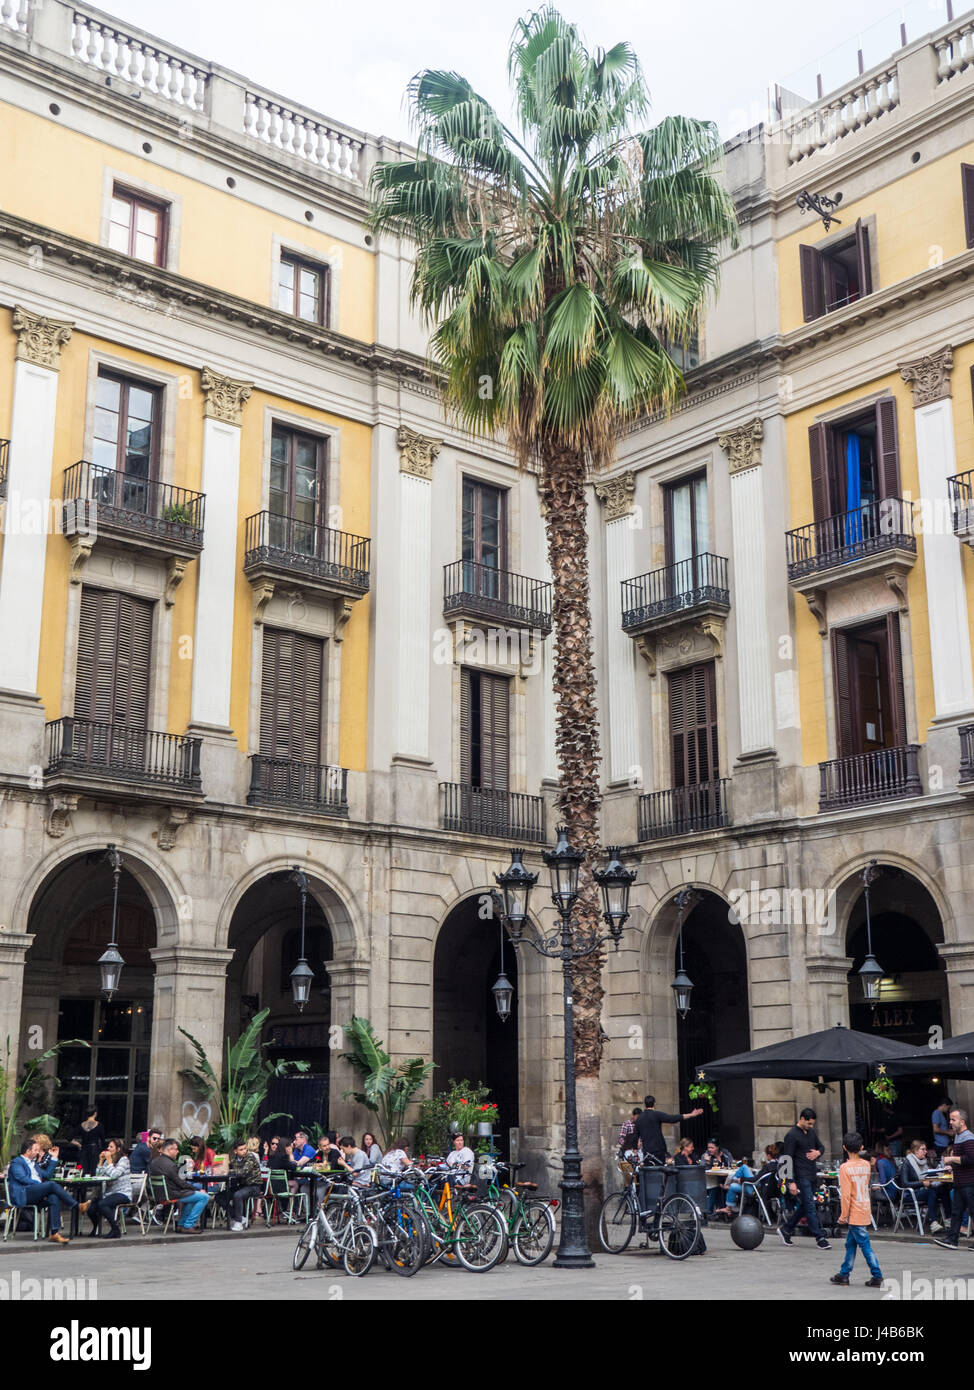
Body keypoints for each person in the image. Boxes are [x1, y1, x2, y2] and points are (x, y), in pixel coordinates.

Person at [7, 1136, 90, 1243]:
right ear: (28, 1151)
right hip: (24, 1193)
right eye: (36, 1150)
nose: (38, 1153)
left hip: (35, 1193)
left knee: (53, 1196)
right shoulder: (17, 1162)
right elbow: (22, 1179)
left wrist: (54, 1158)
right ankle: (76, 1206)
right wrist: (41, 1185)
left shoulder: (34, 1164)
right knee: (50, 1185)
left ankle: (54, 1233)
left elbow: (47, 1175)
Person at [830, 1132, 884, 1288]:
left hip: (854, 1210)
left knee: (864, 1245)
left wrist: (843, 1215)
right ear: (861, 1148)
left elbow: (846, 1195)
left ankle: (877, 1275)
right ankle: (844, 1273)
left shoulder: (845, 1168)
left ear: (844, 1148)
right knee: (851, 1243)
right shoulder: (866, 1165)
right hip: (864, 1207)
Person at [779, 1107, 831, 1251]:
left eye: (812, 1124)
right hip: (801, 1175)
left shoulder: (811, 1133)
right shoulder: (791, 1135)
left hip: (812, 1173)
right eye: (809, 1123)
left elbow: (821, 1146)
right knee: (810, 1206)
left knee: (805, 1206)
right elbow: (787, 1159)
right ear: (802, 1119)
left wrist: (818, 1152)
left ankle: (786, 1229)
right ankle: (820, 1237)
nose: (811, 1126)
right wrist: (790, 1181)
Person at [934, 1107, 974, 1250]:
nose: (950, 1122)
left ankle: (952, 1239)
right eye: (950, 1119)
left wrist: (951, 1159)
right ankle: (952, 1239)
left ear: (962, 1122)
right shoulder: (958, 1137)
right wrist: (953, 1166)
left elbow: (971, 1159)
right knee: (956, 1212)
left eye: (953, 1120)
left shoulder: (968, 1137)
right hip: (960, 1181)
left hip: (969, 1182)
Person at [149, 1138, 210, 1231]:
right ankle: (189, 1225)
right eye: (176, 1149)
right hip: (172, 1194)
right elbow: (180, 1182)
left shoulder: (154, 1162)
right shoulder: (170, 1164)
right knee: (204, 1197)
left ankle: (181, 1224)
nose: (177, 1152)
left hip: (158, 1195)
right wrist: (196, 1189)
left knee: (192, 1198)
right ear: (170, 1150)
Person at [633, 1095, 704, 1165]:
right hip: (659, 1150)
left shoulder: (639, 1119)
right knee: (660, 1172)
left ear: (644, 1104)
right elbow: (673, 1118)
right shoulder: (657, 1114)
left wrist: (635, 1154)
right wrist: (691, 1114)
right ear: (654, 1104)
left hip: (647, 1152)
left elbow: (635, 1137)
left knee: (650, 1173)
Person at [901, 1138, 951, 1232]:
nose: (926, 1152)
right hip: (911, 1194)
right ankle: (933, 1222)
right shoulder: (907, 1163)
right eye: (923, 1149)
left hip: (924, 1190)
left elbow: (929, 1176)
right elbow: (904, 1183)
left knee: (944, 1188)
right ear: (916, 1151)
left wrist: (941, 1177)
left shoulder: (924, 1162)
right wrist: (922, 1183)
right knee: (931, 1191)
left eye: (925, 1149)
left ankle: (948, 1219)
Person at [91, 1139, 132, 1239]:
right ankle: (96, 1228)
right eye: (108, 1147)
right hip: (109, 1193)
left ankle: (115, 1229)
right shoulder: (107, 1161)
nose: (108, 1149)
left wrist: (109, 1162)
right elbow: (98, 1176)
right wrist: (101, 1161)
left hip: (122, 1193)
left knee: (102, 1204)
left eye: (111, 1147)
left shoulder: (124, 1160)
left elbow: (115, 1174)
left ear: (118, 1149)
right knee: (91, 1207)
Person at [223, 1138, 264, 1231]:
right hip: (242, 1186)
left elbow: (244, 1172)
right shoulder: (234, 1159)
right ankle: (240, 1217)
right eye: (241, 1149)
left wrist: (229, 1171)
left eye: (245, 1148)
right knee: (220, 1197)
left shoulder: (250, 1157)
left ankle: (238, 1222)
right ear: (235, 1151)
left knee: (238, 1195)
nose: (244, 1151)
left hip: (254, 1186)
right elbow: (227, 1169)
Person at [67, 1109, 106, 1175]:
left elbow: (69, 1137)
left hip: (84, 1149)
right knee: (94, 1170)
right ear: (95, 1113)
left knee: (84, 1171)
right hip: (94, 1150)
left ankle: (84, 1184)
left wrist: (78, 1144)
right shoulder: (99, 1125)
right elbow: (103, 1140)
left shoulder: (81, 1125)